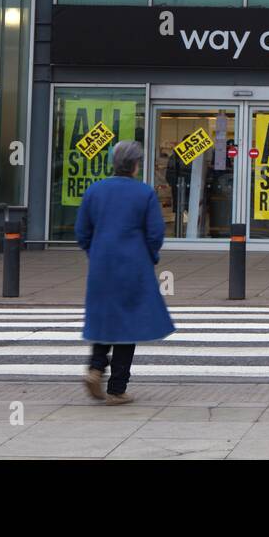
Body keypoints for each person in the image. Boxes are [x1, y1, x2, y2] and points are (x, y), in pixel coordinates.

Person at [75, 140, 176, 404]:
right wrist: (150, 257)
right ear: (134, 165)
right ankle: (117, 388)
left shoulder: (95, 190)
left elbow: (82, 231)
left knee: (105, 318)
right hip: (133, 264)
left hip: (101, 264)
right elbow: (155, 233)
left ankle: (96, 367)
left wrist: (94, 252)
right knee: (129, 324)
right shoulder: (144, 193)